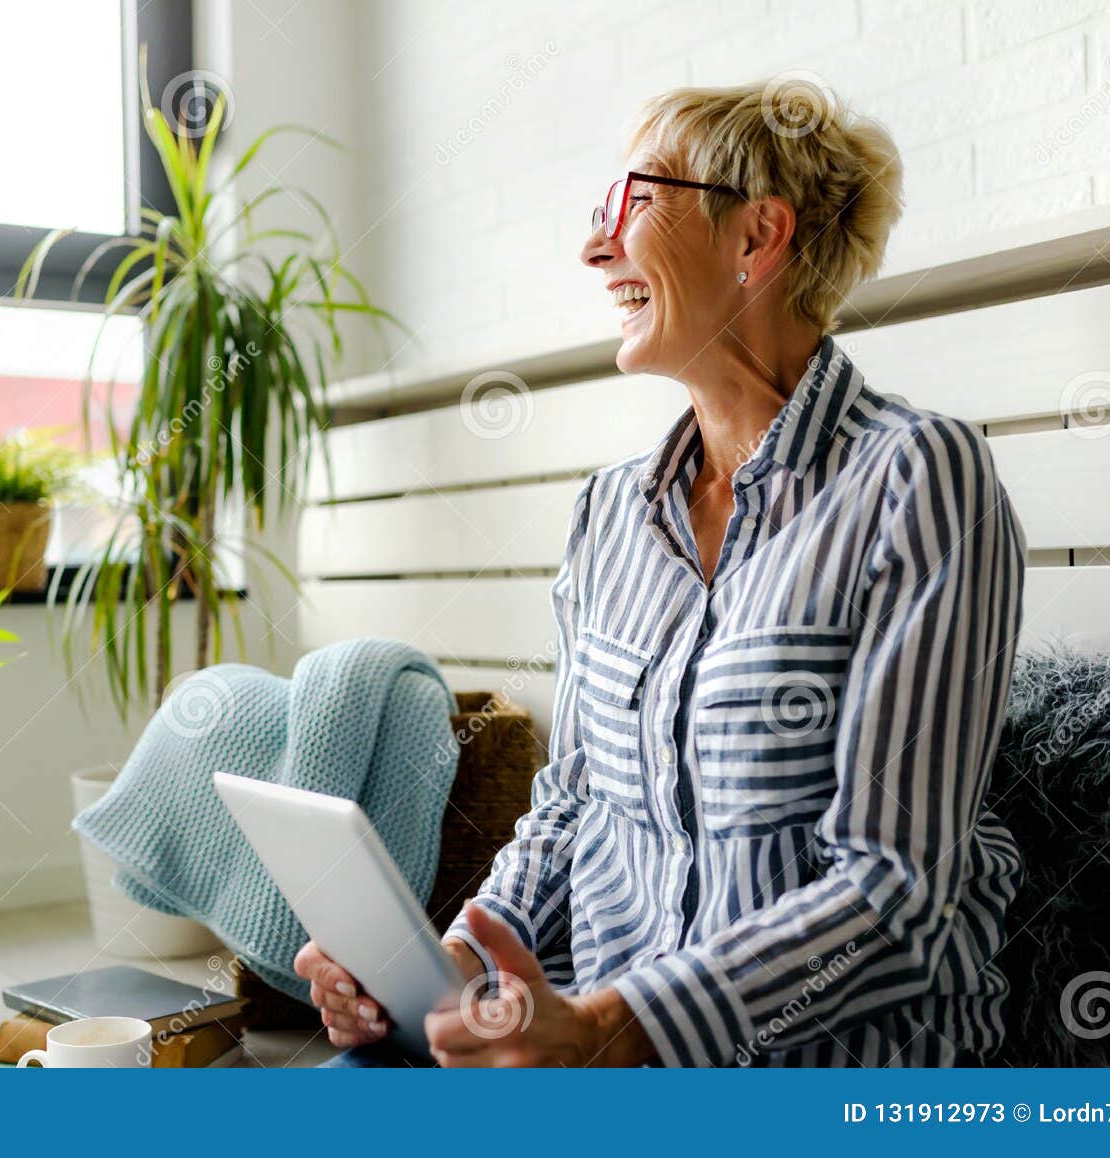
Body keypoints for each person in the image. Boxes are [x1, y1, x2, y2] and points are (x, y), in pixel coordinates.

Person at [299, 80, 1025, 1067]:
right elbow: (569, 813)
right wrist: (447, 965)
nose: (594, 249)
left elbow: (893, 887)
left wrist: (613, 1026)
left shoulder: (916, 477)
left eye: (630, 203)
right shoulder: (609, 514)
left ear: (756, 235)